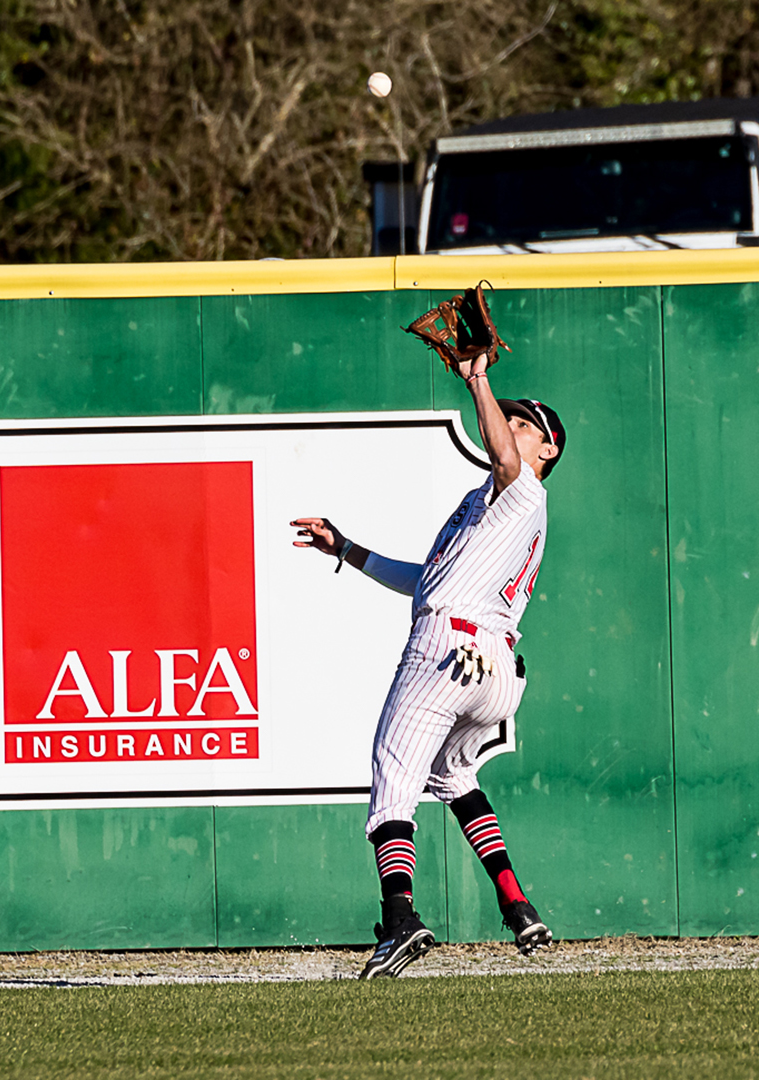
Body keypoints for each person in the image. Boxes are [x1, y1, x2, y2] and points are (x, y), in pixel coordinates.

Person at [291, 352, 566, 979]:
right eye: (509, 419)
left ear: (546, 450)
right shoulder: (490, 503)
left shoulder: (523, 488)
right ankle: (517, 904)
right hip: (492, 668)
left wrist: (478, 379)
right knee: (452, 776)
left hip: (448, 649)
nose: (508, 424)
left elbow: (503, 456)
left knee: (393, 774)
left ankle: (399, 919)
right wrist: (349, 550)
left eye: (523, 424)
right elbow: (427, 582)